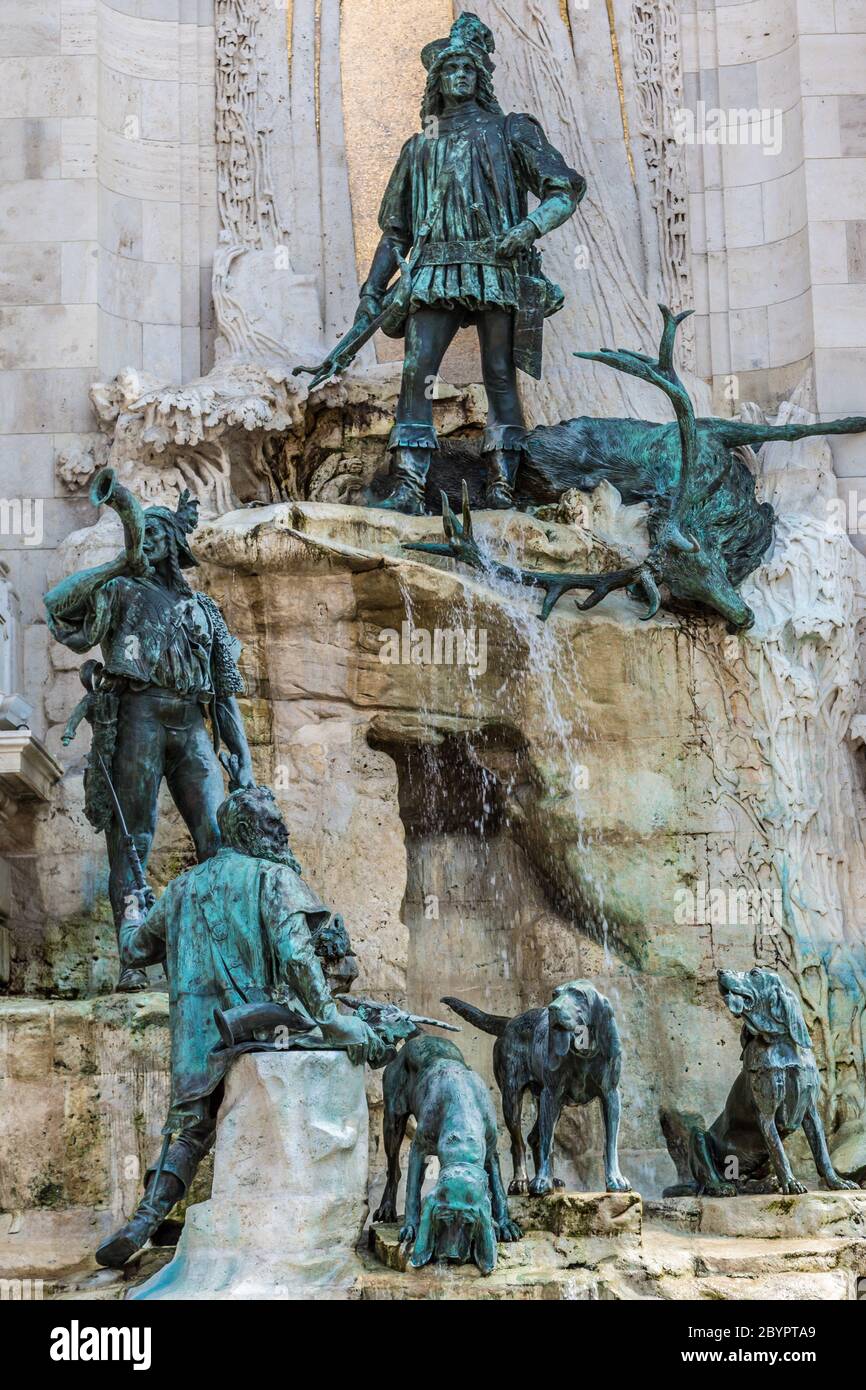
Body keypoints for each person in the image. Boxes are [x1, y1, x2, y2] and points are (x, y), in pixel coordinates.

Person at [95, 783, 384, 1268]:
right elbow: (296, 955)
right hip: (268, 1031)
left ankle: (146, 1219)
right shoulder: (275, 878)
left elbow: (135, 950)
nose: (283, 832)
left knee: (188, 1127)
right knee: (367, 1034)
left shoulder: (182, 887)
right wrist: (332, 1020)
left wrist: (132, 908)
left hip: (199, 1038)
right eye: (274, 825)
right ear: (250, 831)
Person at [359, 11, 584, 513]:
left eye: (469, 68)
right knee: (416, 373)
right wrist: (371, 290)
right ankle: (410, 485)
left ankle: (503, 481)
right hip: (435, 268)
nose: (460, 75)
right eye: (451, 68)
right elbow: (394, 229)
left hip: (497, 267)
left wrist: (525, 231)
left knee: (500, 373)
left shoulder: (511, 130)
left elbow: (563, 190)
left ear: (482, 77)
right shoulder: (419, 145)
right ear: (437, 80)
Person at [44, 478, 254, 990]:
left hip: (192, 725)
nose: (150, 537)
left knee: (218, 837)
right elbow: (55, 607)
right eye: (146, 530)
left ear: (175, 545)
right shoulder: (119, 590)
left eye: (159, 530)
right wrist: (119, 564)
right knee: (132, 840)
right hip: (138, 714)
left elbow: (224, 692)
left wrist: (243, 761)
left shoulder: (204, 610)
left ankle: (225, 957)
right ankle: (132, 960)